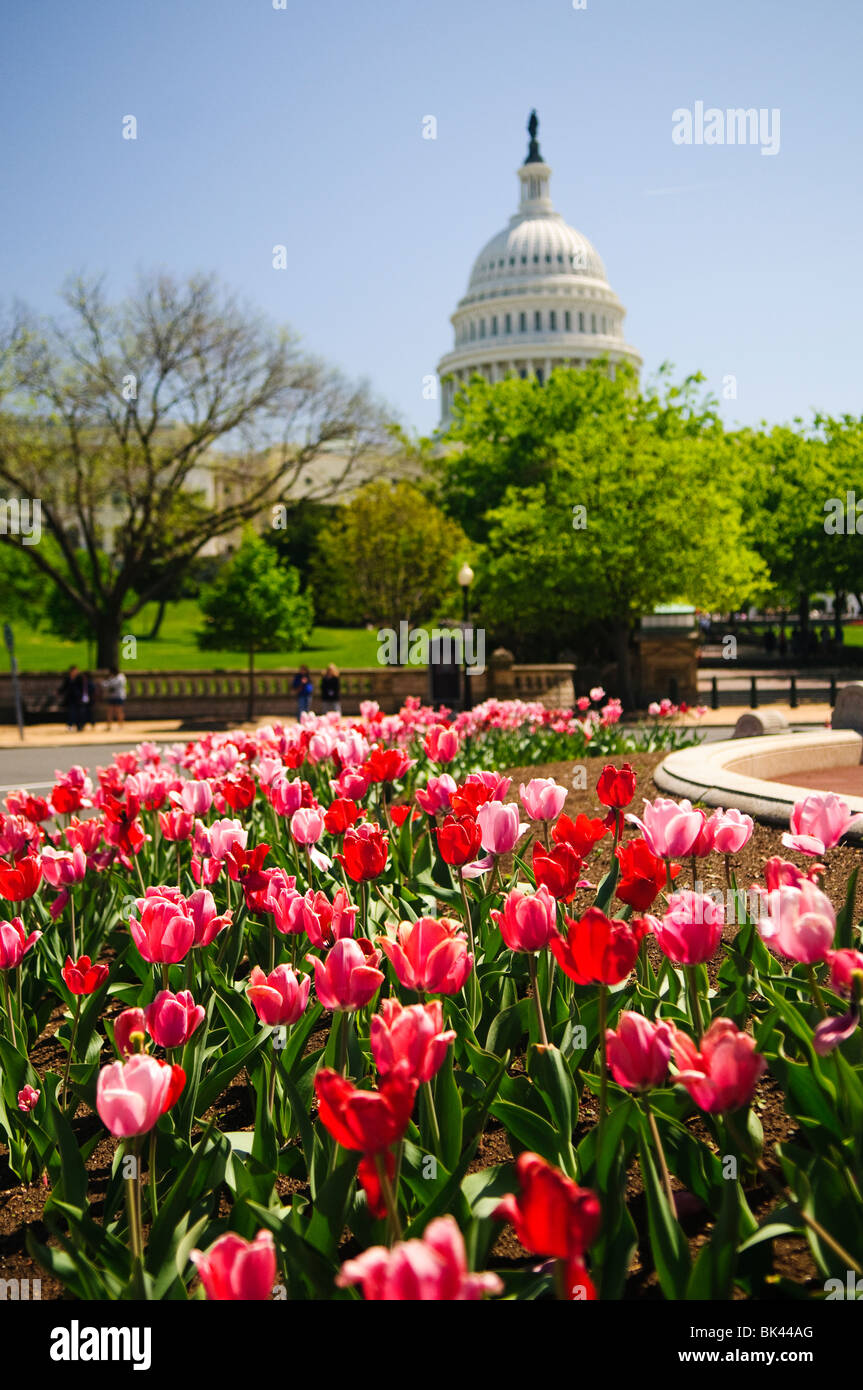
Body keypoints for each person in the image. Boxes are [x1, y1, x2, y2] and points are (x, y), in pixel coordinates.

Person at [58, 665, 85, 731]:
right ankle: (70, 725)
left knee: (79, 712)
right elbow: (64, 687)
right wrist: (59, 692)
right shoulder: (68, 678)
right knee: (71, 712)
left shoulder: (79, 678)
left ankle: (79, 726)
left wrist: (82, 696)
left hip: (78, 698)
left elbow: (82, 688)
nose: (75, 672)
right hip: (70, 698)